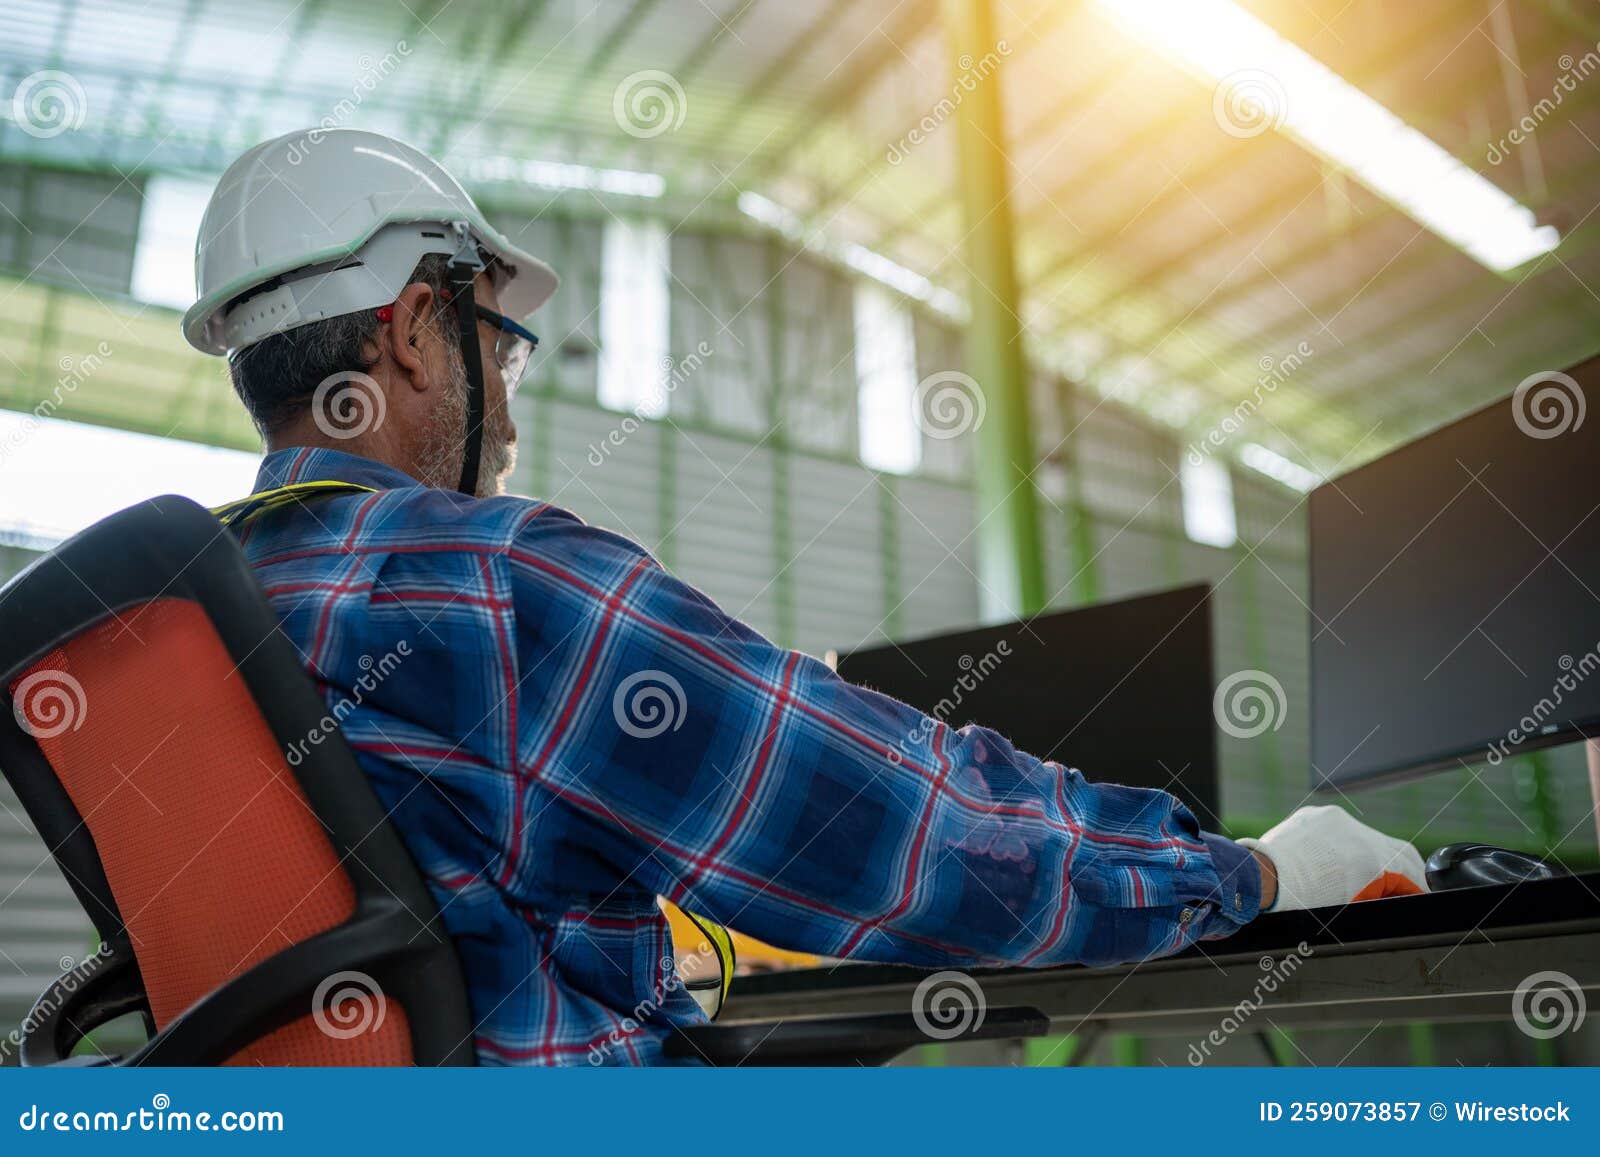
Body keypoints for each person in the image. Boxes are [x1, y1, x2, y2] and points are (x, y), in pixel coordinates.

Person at [183, 128, 1428, 1065]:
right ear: (413, 330)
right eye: (498, 346)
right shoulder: (498, 582)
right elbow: (904, 833)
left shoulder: (175, 620)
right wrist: (1249, 872)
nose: (505, 405)